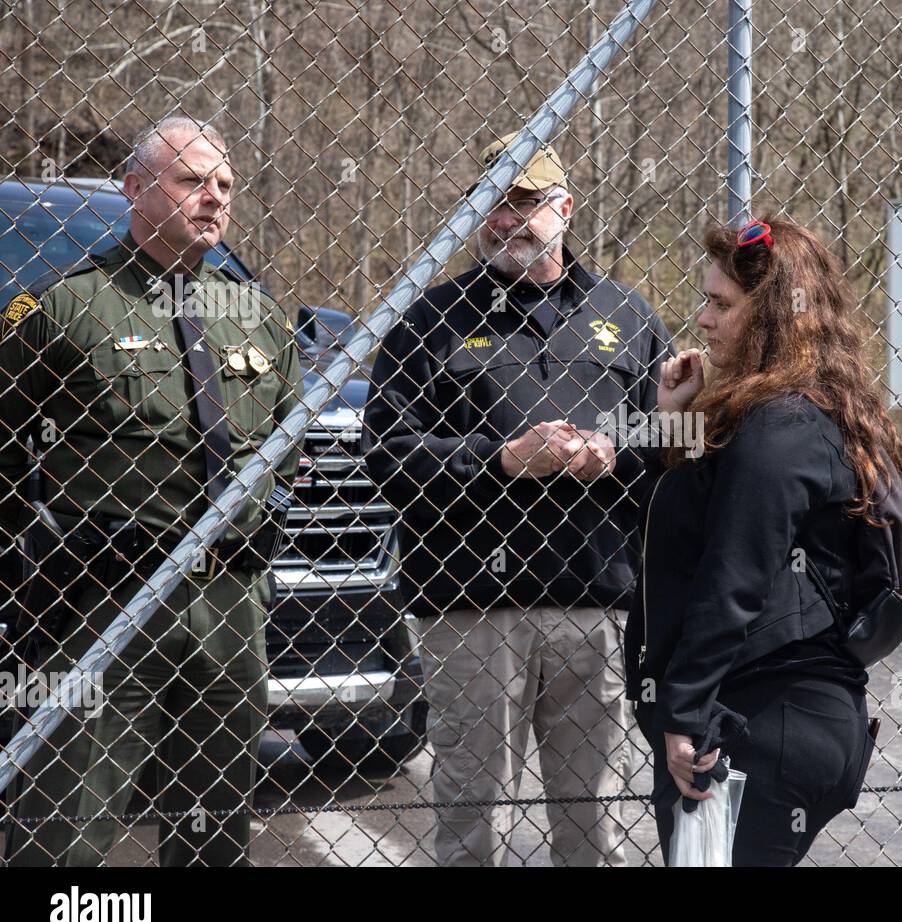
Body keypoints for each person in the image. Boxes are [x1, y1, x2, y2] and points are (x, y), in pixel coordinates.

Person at [0, 117, 304, 866]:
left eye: (224, 186)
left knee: (213, 835)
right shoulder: (62, 307)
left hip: (231, 609)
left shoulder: (259, 316)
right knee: (63, 832)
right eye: (191, 180)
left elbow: (285, 451)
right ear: (135, 188)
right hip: (105, 600)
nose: (212, 199)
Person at [364, 134, 674, 866]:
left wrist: (613, 456)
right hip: (471, 612)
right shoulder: (428, 322)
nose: (507, 220)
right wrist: (499, 460)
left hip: (595, 607)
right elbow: (385, 453)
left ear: (564, 209)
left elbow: (672, 441)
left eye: (525, 203)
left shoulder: (626, 317)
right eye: (493, 203)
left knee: (594, 820)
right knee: (473, 820)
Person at [623, 217, 902, 866]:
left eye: (721, 304)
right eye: (706, 299)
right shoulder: (803, 410)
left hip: (760, 721)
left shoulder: (780, 426)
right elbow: (683, 529)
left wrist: (686, 716)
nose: (703, 320)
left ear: (772, 318)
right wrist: (674, 427)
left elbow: (732, 578)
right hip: (777, 716)